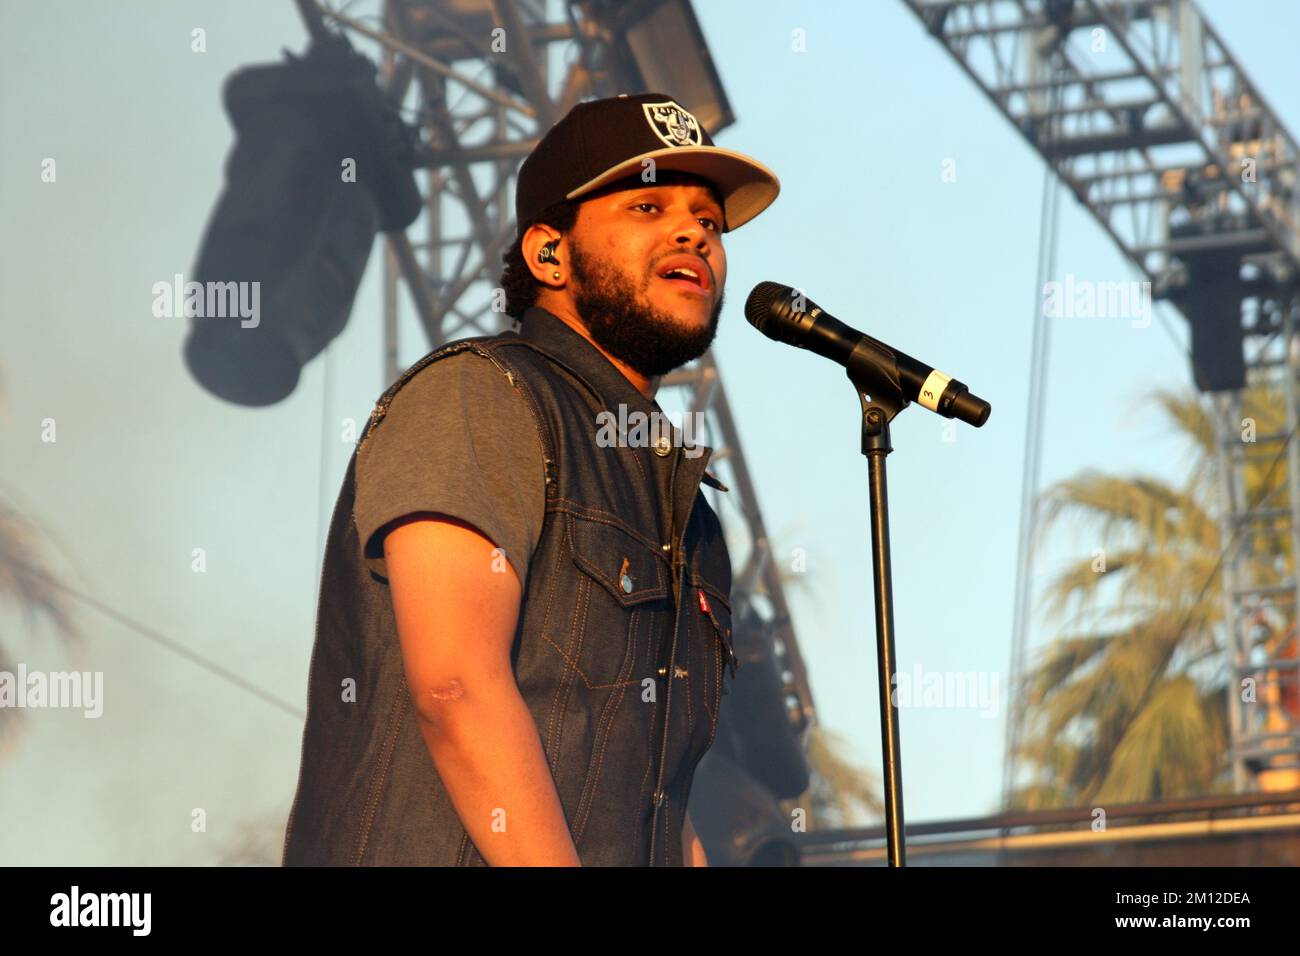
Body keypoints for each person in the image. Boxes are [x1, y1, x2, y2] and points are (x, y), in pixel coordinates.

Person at [282, 92, 780, 866]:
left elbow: (661, 796)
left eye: (709, 222)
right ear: (549, 253)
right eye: (648, 205)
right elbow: (456, 687)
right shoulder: (482, 394)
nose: (694, 232)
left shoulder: (686, 507)